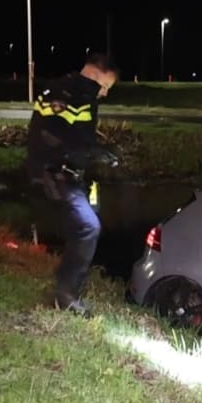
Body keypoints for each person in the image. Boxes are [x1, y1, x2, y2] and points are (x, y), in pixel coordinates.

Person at [25, 53, 120, 317]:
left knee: (88, 221)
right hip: (52, 173)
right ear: (94, 75)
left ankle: (65, 275)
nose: (105, 94)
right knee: (87, 227)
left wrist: (100, 152)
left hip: (72, 174)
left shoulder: (85, 97)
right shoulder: (62, 93)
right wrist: (87, 155)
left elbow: (79, 139)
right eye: (105, 87)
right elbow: (48, 138)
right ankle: (66, 293)